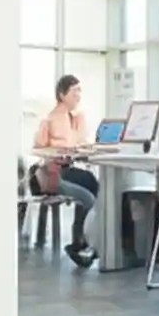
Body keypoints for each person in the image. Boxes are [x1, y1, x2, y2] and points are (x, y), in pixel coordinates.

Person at [33, 74, 100, 268]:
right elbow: (38, 148)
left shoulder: (74, 118)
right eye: (74, 91)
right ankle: (79, 242)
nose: (78, 95)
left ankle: (82, 241)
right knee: (88, 196)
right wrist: (59, 151)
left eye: (80, 90)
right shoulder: (51, 119)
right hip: (54, 174)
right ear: (62, 94)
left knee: (93, 183)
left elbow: (79, 143)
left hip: (68, 168)